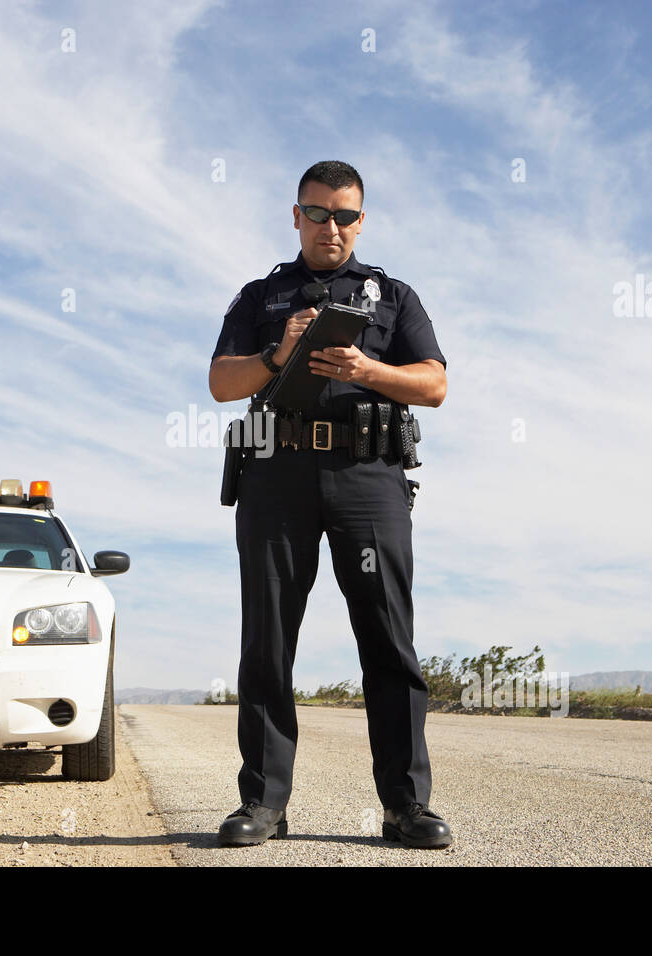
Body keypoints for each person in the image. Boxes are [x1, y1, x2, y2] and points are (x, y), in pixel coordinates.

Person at [207, 160, 452, 849]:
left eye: (344, 215)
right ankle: (262, 805)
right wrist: (278, 354)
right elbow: (221, 382)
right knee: (268, 641)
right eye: (317, 213)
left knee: (388, 641)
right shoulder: (263, 294)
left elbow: (434, 384)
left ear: (361, 220)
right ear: (296, 216)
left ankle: (408, 806)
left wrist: (368, 371)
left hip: (367, 476)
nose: (331, 227)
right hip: (276, 475)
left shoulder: (393, 295)